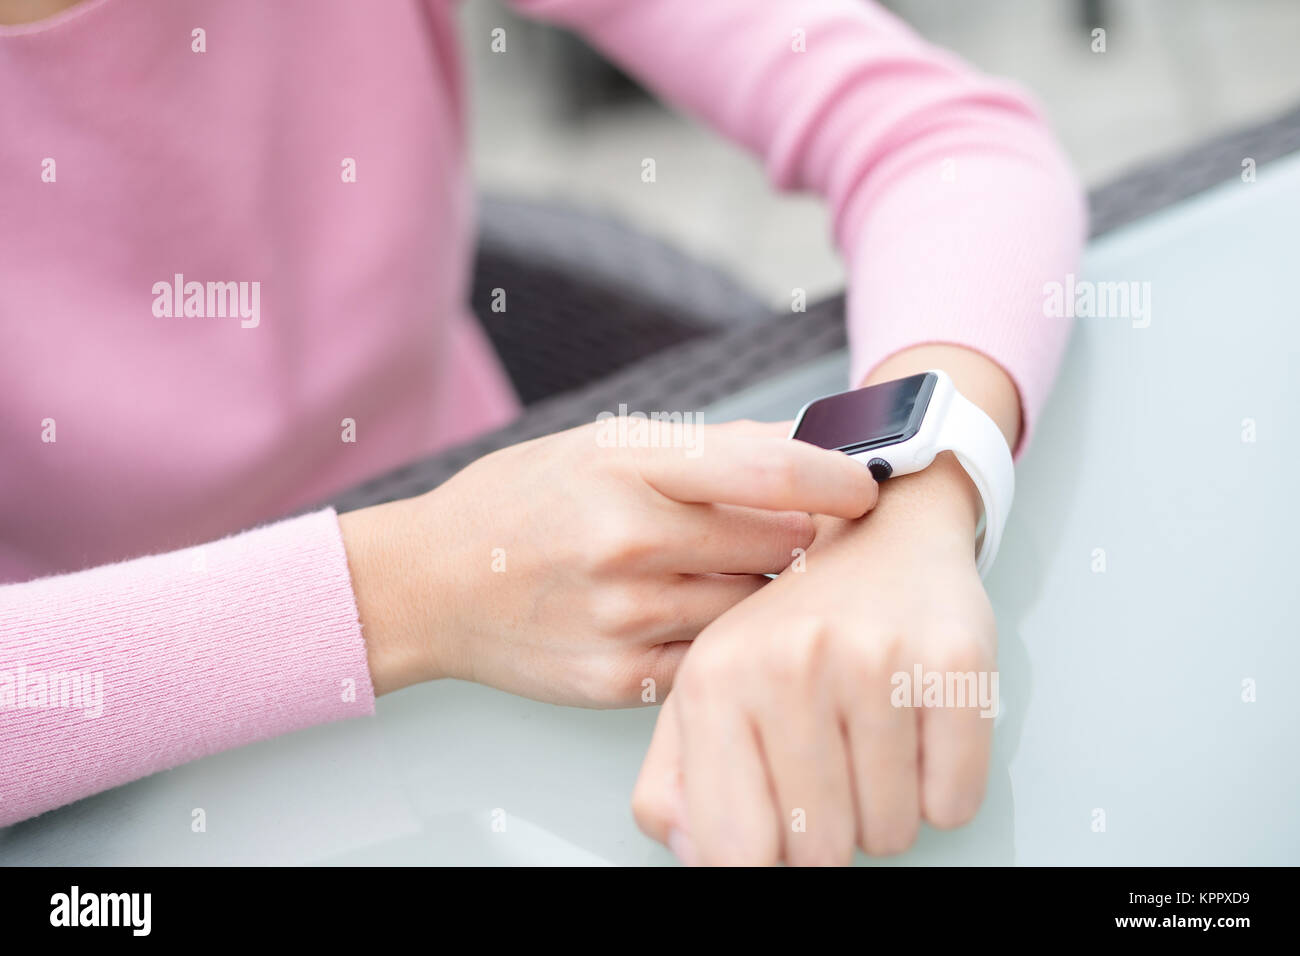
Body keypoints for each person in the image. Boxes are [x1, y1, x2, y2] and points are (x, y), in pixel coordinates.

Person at [0, 0, 1085, 864]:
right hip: (111, 778)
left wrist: (901, 497)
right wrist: (423, 584)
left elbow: (938, 136)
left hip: (519, 699)